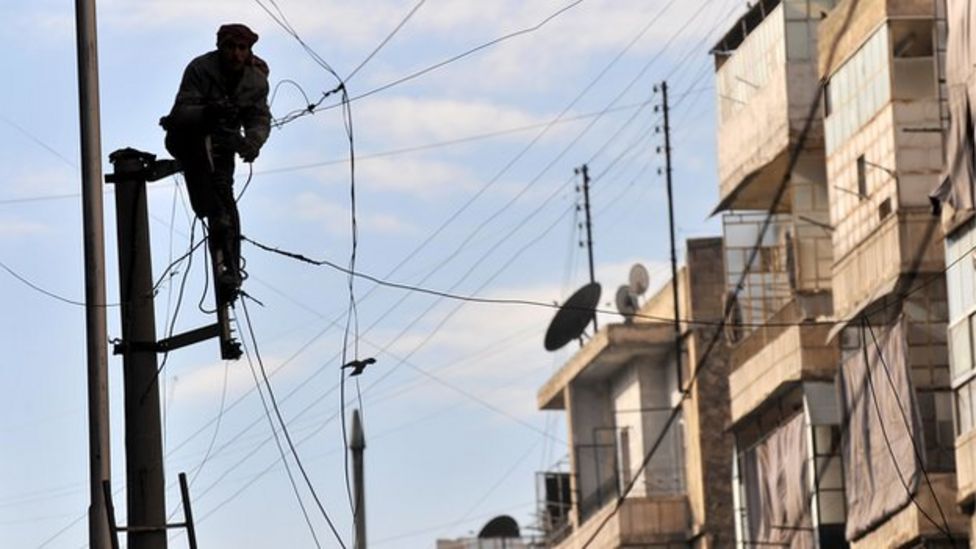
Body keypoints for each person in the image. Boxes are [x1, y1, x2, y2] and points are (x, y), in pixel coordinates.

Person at [161, 23, 271, 300]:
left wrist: (253, 142)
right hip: (189, 140)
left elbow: (258, 118)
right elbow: (181, 113)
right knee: (212, 201)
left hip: (223, 146)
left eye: (241, 48)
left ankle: (231, 269)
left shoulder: (255, 81)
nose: (235, 54)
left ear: (249, 51)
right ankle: (215, 215)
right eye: (230, 47)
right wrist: (208, 111)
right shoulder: (200, 68)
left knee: (224, 199)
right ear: (220, 47)